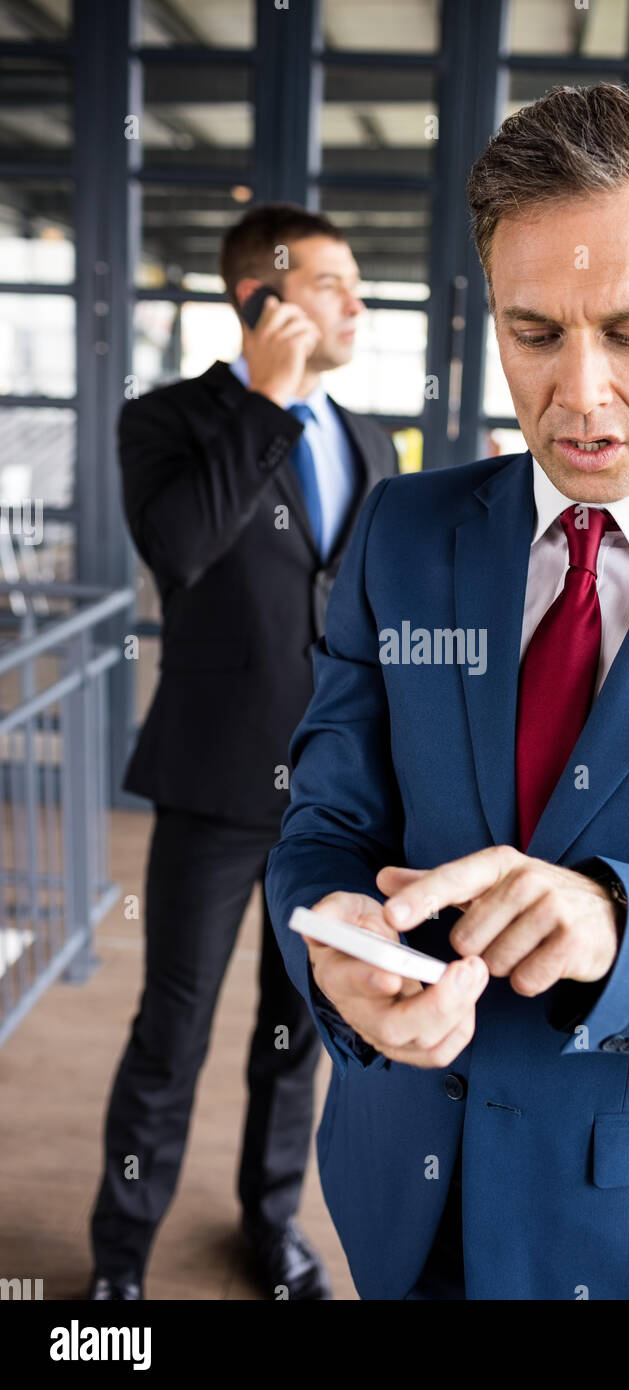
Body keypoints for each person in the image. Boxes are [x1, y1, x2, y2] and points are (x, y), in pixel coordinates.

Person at [264, 85, 629, 1301]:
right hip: (395, 1200)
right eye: (533, 333)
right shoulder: (402, 532)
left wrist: (622, 932)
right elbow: (322, 828)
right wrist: (330, 956)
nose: (577, 392)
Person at [88, 204, 398, 1301]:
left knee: (295, 1031)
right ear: (260, 298)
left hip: (335, 802)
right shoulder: (165, 422)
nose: (356, 302)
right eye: (331, 281)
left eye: (357, 283)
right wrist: (267, 400)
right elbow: (177, 551)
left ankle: (271, 1226)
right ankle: (120, 1260)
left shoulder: (368, 440)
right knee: (169, 1031)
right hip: (214, 788)